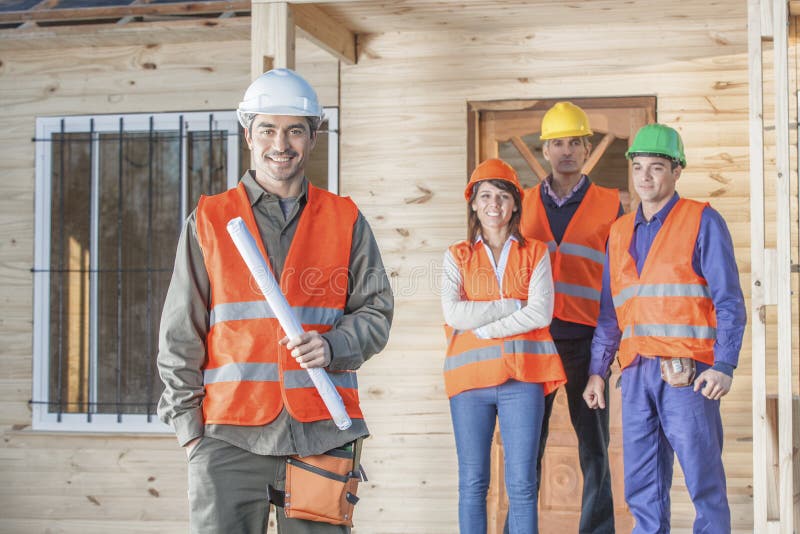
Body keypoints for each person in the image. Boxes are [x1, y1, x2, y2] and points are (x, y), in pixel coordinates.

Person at [156, 68, 394, 534]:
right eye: (267, 129)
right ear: (248, 134)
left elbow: (376, 310)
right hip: (228, 437)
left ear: (313, 137)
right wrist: (190, 432)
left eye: (295, 131)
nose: (280, 144)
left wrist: (334, 345)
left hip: (322, 433)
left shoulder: (345, 219)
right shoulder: (210, 220)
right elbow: (180, 333)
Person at [582, 123, 746, 533]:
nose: (645, 177)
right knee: (642, 488)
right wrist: (598, 371)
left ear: (676, 171)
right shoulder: (619, 232)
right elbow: (610, 314)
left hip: (688, 375)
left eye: (656, 167)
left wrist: (724, 365)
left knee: (703, 481)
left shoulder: (702, 220)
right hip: (636, 374)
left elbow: (729, 301)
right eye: (638, 167)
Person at [441, 158, 567, 534]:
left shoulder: (535, 252)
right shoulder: (457, 256)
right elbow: (454, 313)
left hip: (522, 380)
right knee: (473, 484)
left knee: (523, 486)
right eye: (485, 196)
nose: (493, 203)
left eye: (502, 196)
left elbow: (541, 313)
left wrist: (485, 328)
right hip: (469, 384)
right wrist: (511, 306)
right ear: (474, 203)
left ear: (514, 204)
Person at [519, 101, 621, 533]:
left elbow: (620, 281)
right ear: (545, 150)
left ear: (586, 149)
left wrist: (608, 352)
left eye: (574, 143)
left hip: (587, 343)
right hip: (534, 341)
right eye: (557, 143)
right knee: (526, 450)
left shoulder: (610, 205)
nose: (565, 151)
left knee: (595, 449)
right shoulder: (520, 204)